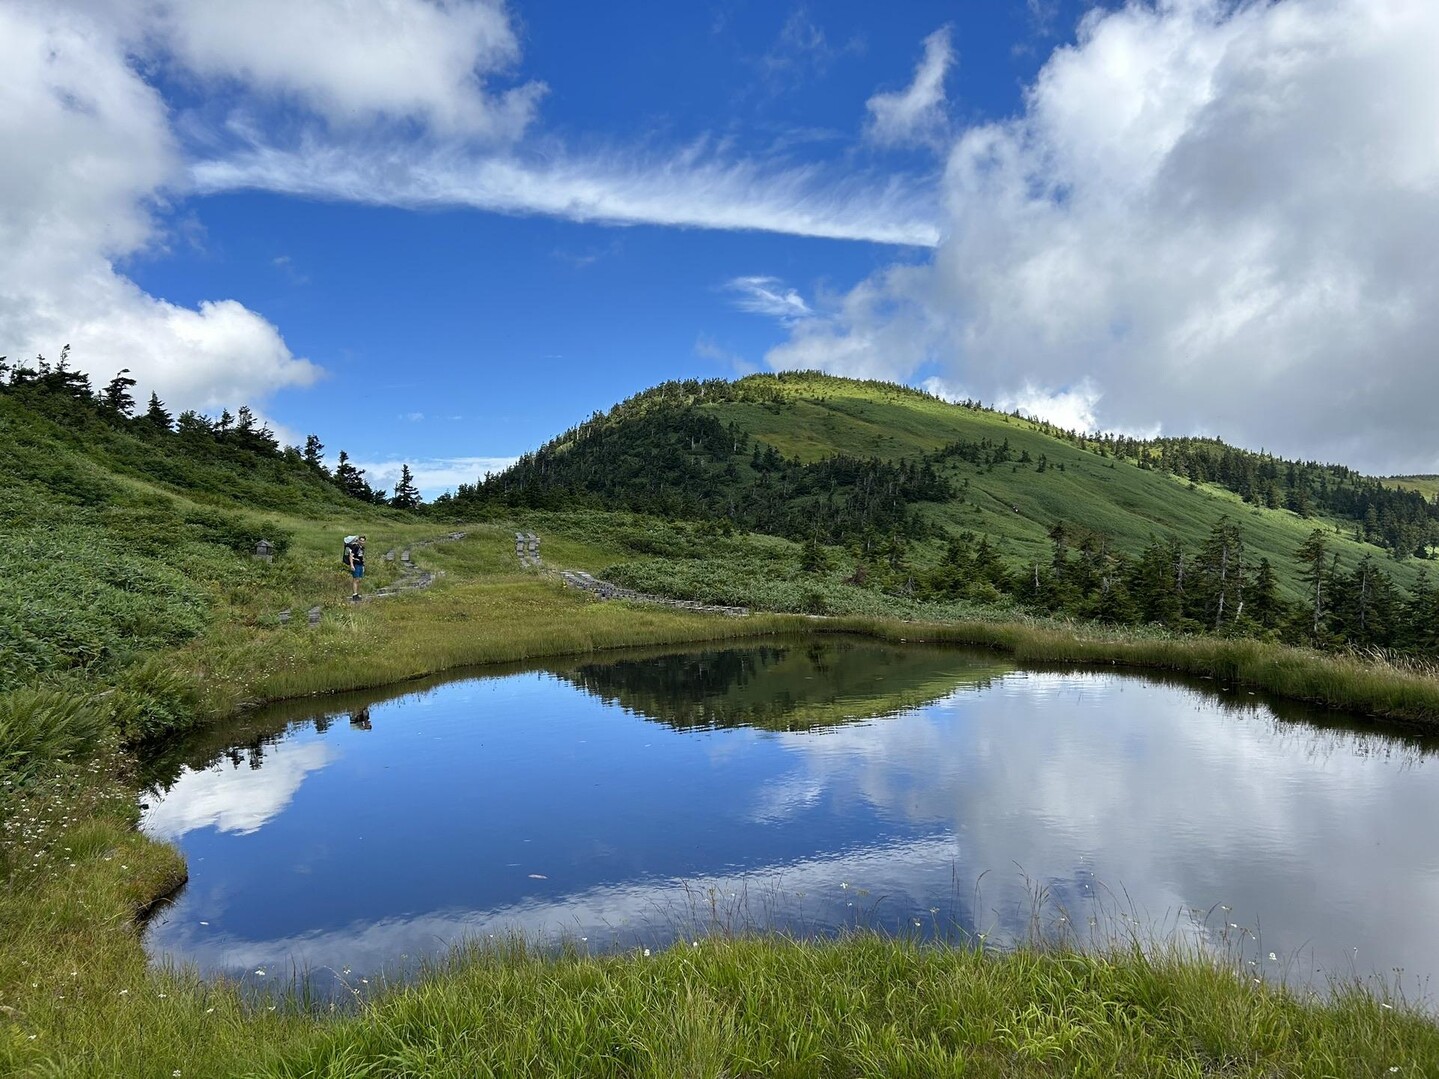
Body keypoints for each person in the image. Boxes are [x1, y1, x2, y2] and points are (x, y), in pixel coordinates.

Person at [344, 534, 366, 599]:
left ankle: (356, 593)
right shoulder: (355, 547)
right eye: (361, 540)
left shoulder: (362, 548)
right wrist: (352, 565)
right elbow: (351, 555)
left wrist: (363, 565)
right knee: (355, 579)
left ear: (364, 542)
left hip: (360, 564)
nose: (362, 542)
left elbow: (361, 557)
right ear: (358, 540)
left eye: (363, 541)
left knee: (358, 579)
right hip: (356, 564)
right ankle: (354, 594)